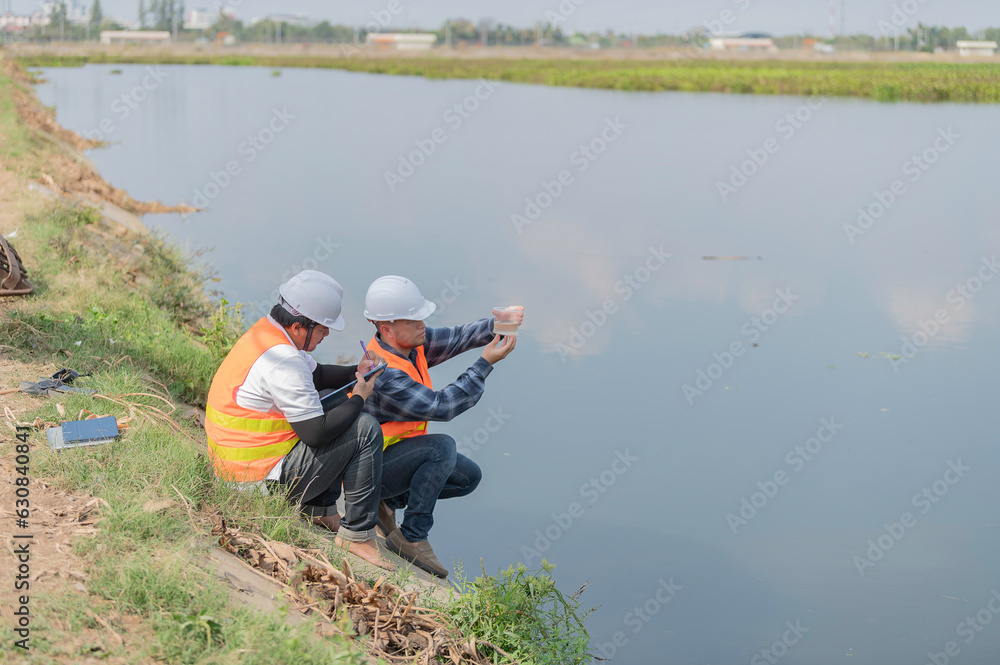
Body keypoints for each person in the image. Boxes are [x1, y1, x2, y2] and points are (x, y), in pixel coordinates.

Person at [205, 270, 391, 569]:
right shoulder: (285, 360)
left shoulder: (267, 334)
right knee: (365, 429)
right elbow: (315, 435)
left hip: (236, 466)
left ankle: (320, 509)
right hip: (254, 481)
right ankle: (357, 536)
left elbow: (316, 376)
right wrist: (360, 395)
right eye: (322, 329)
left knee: (330, 394)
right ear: (298, 326)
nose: (326, 334)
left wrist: (358, 370)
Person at [362, 275, 521, 577]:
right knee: (441, 447)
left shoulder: (410, 345)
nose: (423, 324)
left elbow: (458, 337)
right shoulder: (384, 372)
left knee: (467, 477)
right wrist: (485, 364)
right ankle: (411, 536)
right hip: (367, 469)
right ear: (387, 329)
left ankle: (388, 500)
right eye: (415, 319)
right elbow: (442, 407)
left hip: (391, 456)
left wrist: (497, 325)